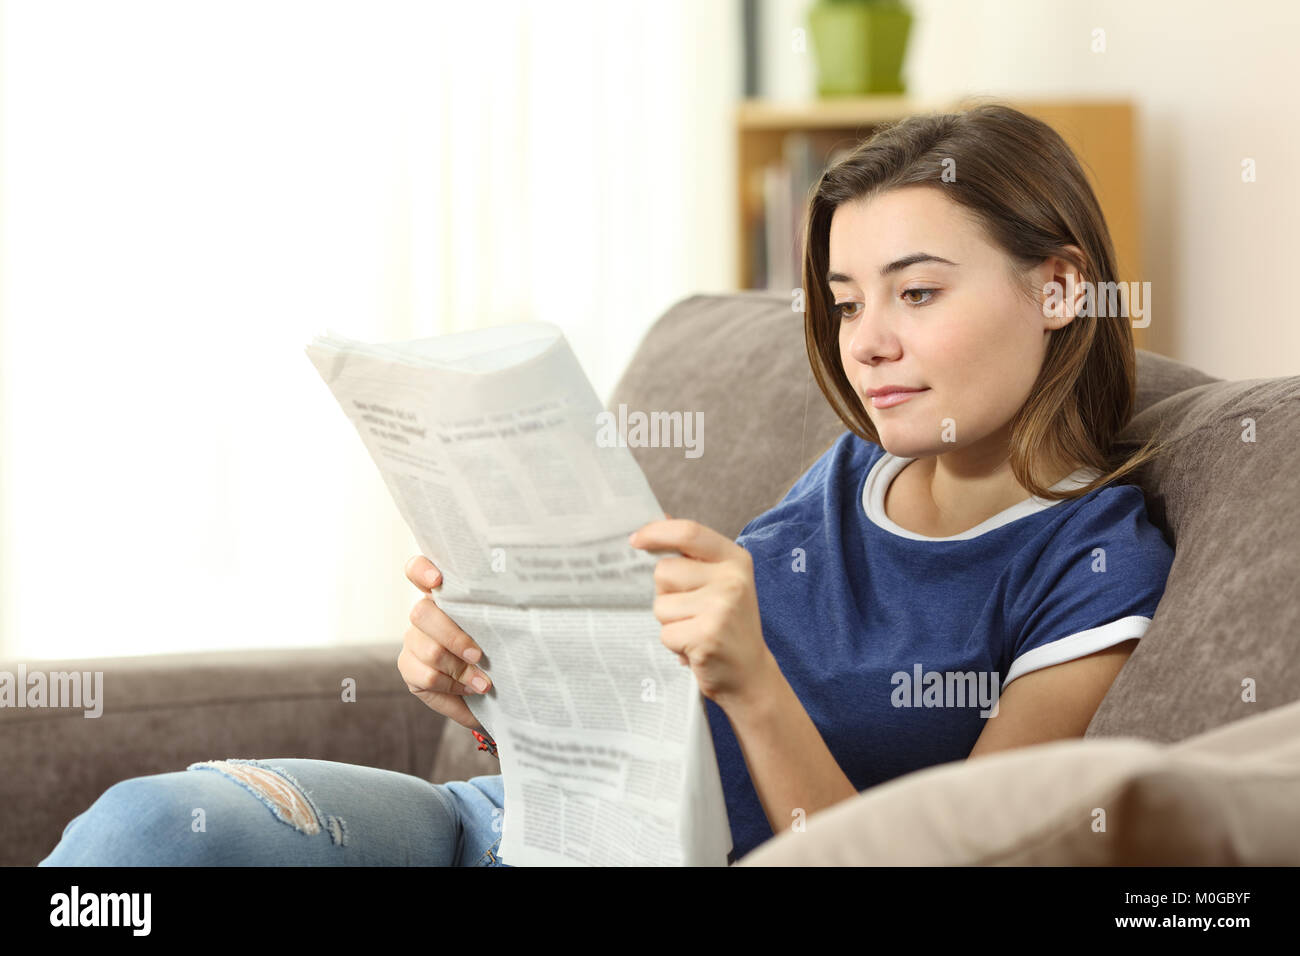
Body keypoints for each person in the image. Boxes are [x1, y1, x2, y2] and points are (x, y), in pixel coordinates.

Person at [39, 102, 1173, 867]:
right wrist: (492, 679)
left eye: (915, 292)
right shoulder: (853, 473)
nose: (866, 339)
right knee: (151, 828)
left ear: (1062, 287)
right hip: (508, 824)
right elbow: (643, 703)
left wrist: (754, 682)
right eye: (843, 297)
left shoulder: (1089, 565)